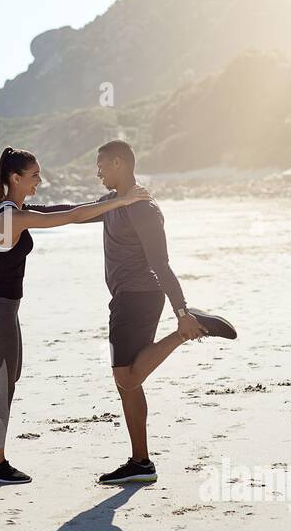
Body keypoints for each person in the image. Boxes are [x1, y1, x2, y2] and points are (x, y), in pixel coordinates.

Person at [0, 146, 151, 485]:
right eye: (34, 175)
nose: (40, 180)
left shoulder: (0, 212)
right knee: (3, 386)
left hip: (1, 307)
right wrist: (121, 202)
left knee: (13, 375)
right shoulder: (14, 217)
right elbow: (67, 217)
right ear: (15, 178)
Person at [38, 139, 237, 485]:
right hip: (126, 297)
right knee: (127, 384)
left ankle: (188, 330)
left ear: (118, 163)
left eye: (101, 165)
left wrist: (181, 311)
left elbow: (161, 262)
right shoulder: (113, 202)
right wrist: (22, 210)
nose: (97, 172)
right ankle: (141, 462)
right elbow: (71, 211)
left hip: (138, 297)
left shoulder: (142, 208)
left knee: (126, 378)